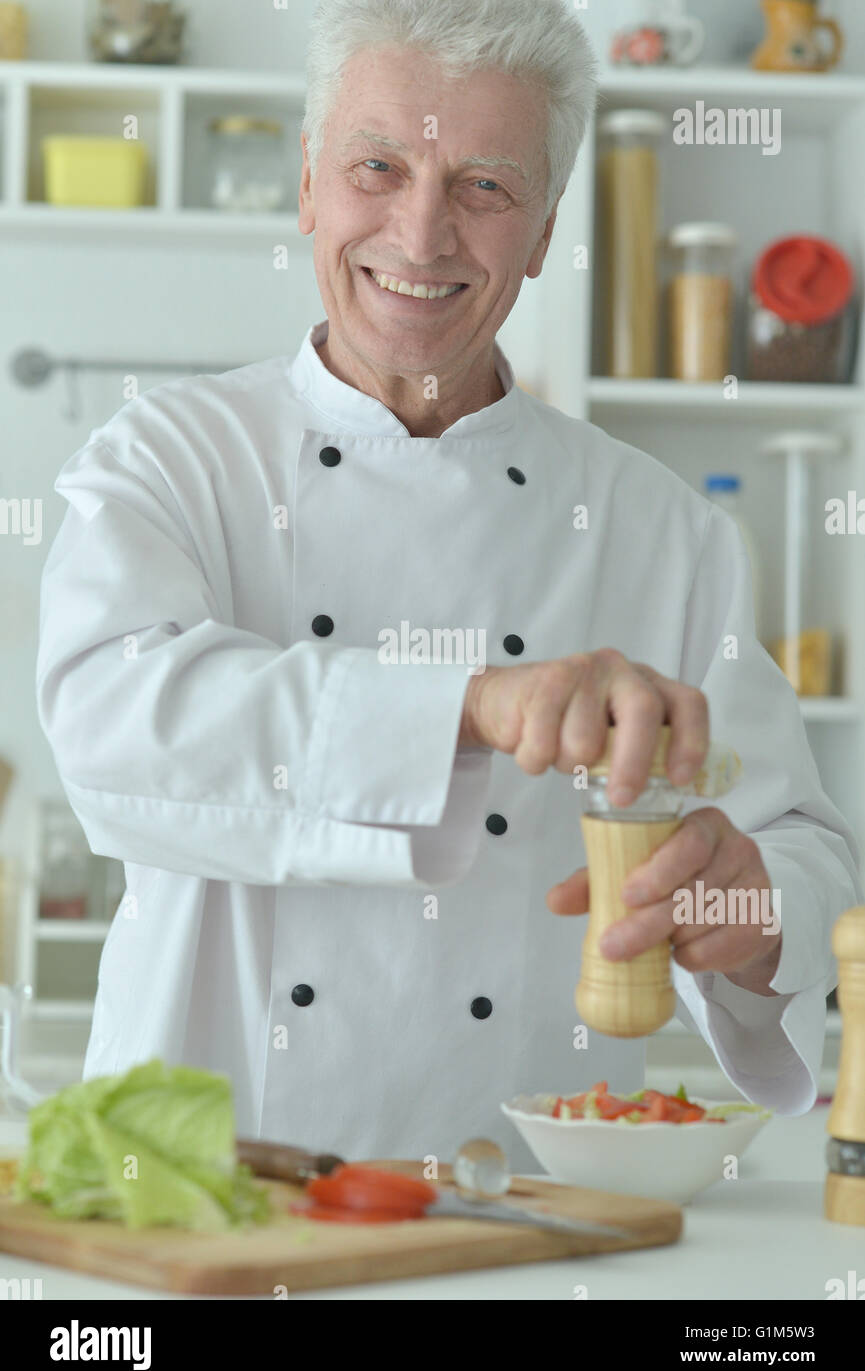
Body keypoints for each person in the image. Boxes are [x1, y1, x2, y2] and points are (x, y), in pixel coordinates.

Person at [36, 0, 858, 1167]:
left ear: (543, 233)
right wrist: (471, 708)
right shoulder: (168, 460)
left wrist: (751, 906)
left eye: (483, 187)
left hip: (532, 1217)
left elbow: (808, 855)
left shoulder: (659, 530)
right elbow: (112, 732)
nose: (420, 236)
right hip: (209, 1189)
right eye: (380, 168)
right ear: (308, 182)